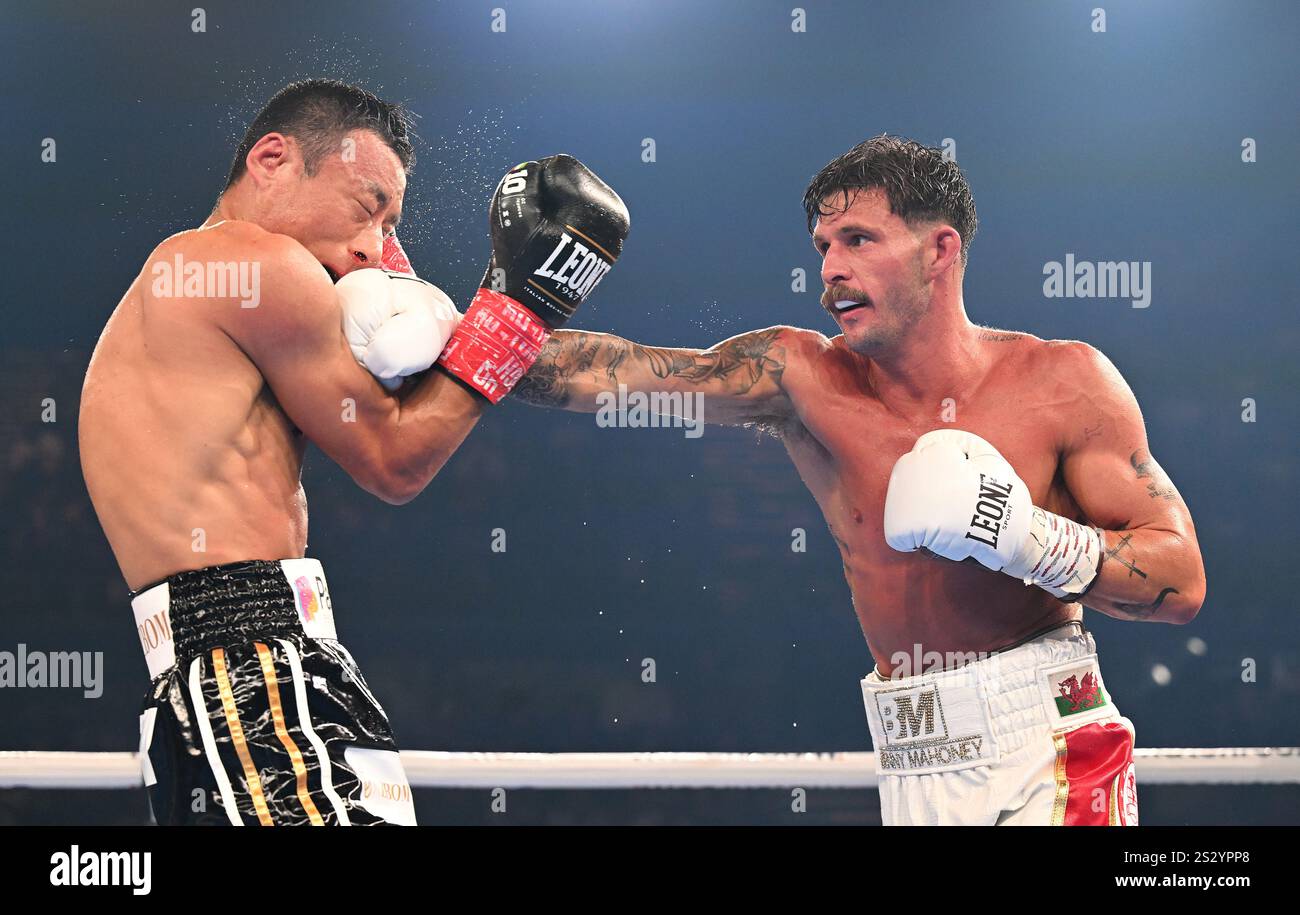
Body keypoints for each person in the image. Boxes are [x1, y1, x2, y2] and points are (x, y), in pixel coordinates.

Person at [511, 135, 1205, 825]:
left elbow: (1181, 579)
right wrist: (475, 325)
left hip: (1047, 741)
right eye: (822, 247)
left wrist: (1026, 536)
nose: (832, 269)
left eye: (858, 240)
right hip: (910, 761)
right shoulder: (802, 375)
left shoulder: (1064, 382)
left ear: (940, 250)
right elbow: (615, 373)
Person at [79, 78, 628, 824]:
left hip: (226, 669)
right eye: (367, 205)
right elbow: (394, 457)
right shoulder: (254, 265)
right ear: (272, 160)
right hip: (253, 668)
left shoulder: (180, 282)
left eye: (390, 223)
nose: (375, 242)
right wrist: (521, 304)